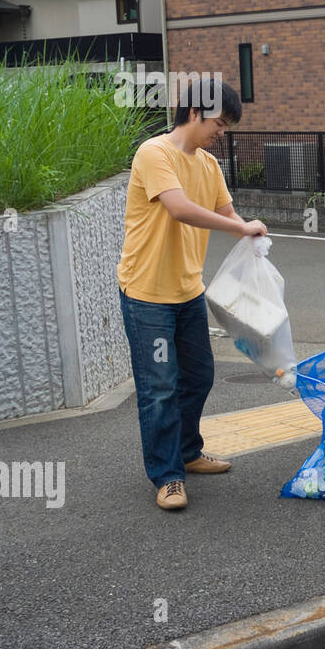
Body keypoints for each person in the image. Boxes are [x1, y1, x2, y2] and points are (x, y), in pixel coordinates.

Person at [117, 77, 268, 512]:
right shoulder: (154, 153)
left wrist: (250, 235)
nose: (221, 133)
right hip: (148, 295)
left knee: (199, 376)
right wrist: (241, 228)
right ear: (196, 113)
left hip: (186, 292)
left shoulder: (208, 165)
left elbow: (226, 212)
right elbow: (180, 208)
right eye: (219, 123)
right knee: (160, 386)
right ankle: (166, 476)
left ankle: (186, 451)